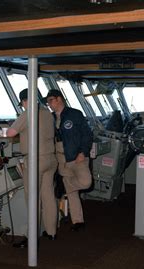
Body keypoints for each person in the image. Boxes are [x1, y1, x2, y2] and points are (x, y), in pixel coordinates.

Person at [6, 88, 58, 247]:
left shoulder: (27, 113)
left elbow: (10, 133)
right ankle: (51, 232)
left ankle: (32, 238)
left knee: (33, 199)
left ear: (24, 101)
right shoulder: (48, 113)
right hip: (51, 158)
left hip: (36, 160)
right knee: (48, 196)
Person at [45, 89, 93, 231]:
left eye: (50, 100)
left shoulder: (75, 114)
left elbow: (87, 134)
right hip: (60, 158)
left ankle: (65, 186)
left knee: (86, 182)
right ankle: (78, 221)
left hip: (77, 157)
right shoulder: (50, 118)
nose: (49, 104)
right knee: (72, 194)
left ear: (59, 99)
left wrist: (83, 152)